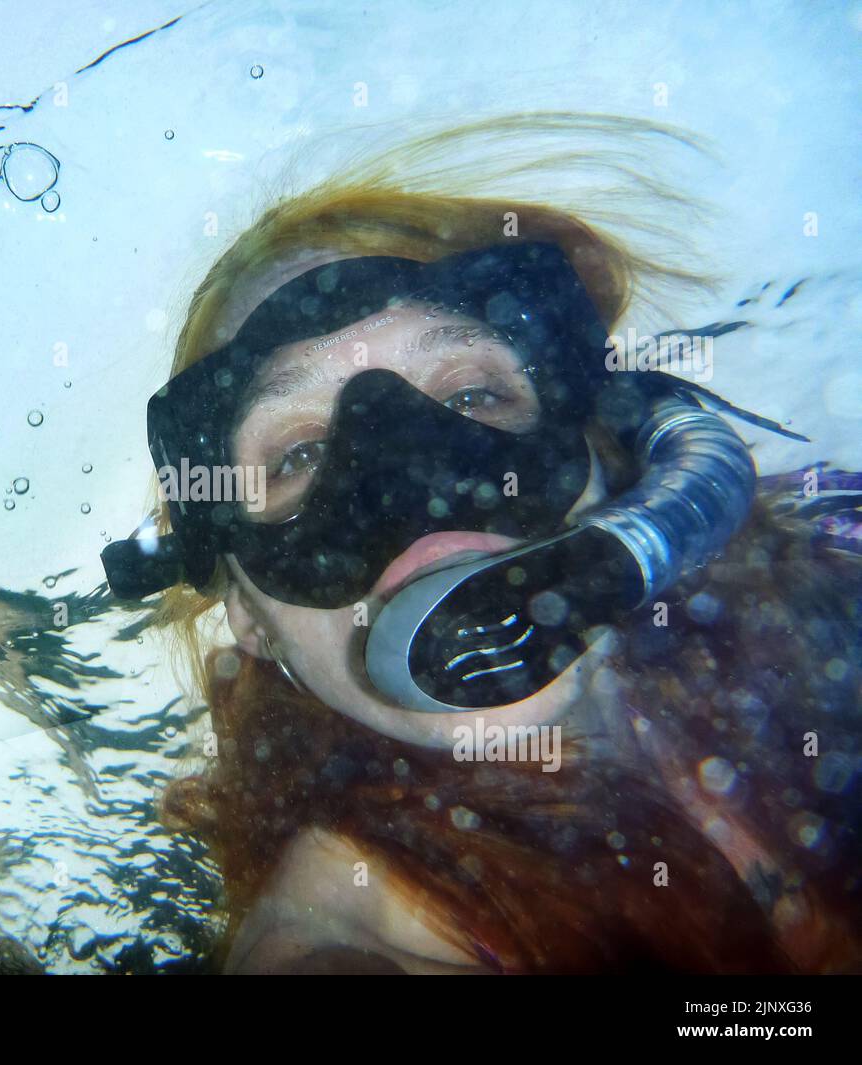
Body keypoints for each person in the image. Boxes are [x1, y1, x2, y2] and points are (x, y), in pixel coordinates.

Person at [101, 115, 862, 974]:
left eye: (468, 396)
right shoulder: (348, 939)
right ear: (248, 613)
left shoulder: (827, 578)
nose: (411, 487)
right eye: (300, 454)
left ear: (607, 465)